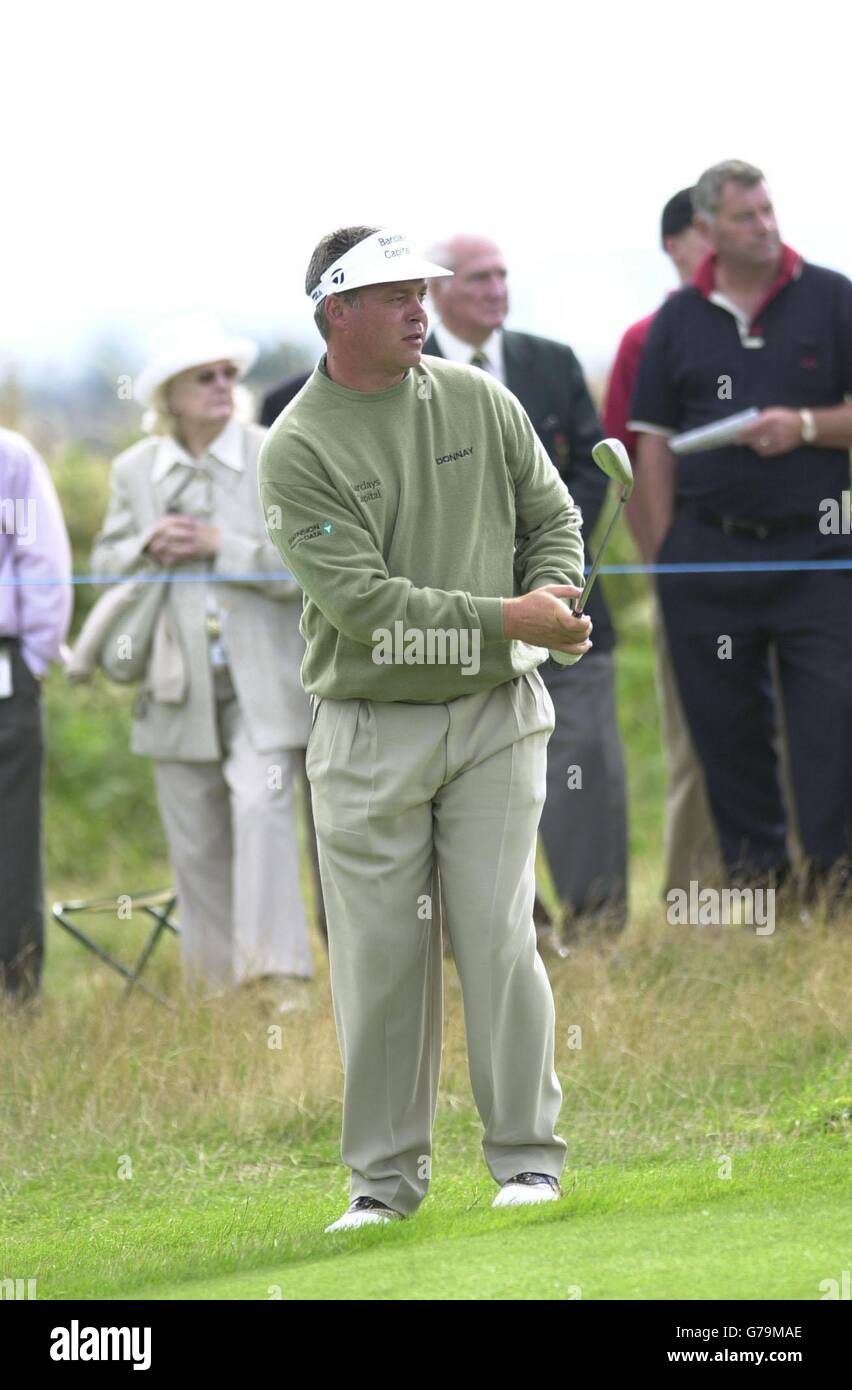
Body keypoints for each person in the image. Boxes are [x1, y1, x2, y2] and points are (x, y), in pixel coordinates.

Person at [259, 226, 593, 1231]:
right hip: (368, 730)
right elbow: (369, 606)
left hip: (495, 713)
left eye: (422, 291)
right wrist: (511, 619)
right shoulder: (296, 445)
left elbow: (553, 513)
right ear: (336, 313)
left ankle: (528, 1161)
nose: (420, 310)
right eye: (394, 295)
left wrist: (550, 587)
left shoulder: (480, 398)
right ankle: (383, 1187)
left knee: (498, 934)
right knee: (378, 963)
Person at [630, 160, 852, 900]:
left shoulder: (830, 298)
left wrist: (808, 425)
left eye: (768, 210)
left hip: (821, 555)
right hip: (707, 559)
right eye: (746, 216)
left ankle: (835, 891)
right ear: (708, 230)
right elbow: (653, 443)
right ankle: (764, 895)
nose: (766, 225)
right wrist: (667, 562)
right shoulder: (676, 322)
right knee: (727, 738)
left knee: (831, 726)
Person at [90, 314, 325, 1001]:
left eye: (230, 373)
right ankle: (214, 991)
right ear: (170, 395)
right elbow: (102, 569)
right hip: (173, 683)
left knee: (262, 808)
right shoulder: (134, 471)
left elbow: (308, 562)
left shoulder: (275, 449)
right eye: (206, 377)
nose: (225, 386)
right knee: (194, 838)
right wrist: (145, 546)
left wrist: (221, 544)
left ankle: (279, 981)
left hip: (268, 680)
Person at [426, 234, 627, 944]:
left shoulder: (552, 362)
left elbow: (593, 470)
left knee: (585, 763)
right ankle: (519, 928)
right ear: (438, 292)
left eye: (502, 275)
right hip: (468, 618)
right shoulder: (409, 375)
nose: (496, 288)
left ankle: (598, 925)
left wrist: (544, 569)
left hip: (566, 600)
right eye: (479, 277)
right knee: (480, 776)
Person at [603, 190, 722, 894]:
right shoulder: (646, 340)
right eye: (706, 232)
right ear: (673, 244)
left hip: (798, 568)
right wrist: (664, 572)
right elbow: (628, 468)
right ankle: (696, 909)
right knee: (696, 746)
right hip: (691, 574)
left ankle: (811, 901)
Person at [0, 428, 72, 1000]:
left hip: (5, 667)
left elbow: (40, 561)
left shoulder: (9, 457)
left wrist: (33, 660)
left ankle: (16, 987)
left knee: (11, 832)